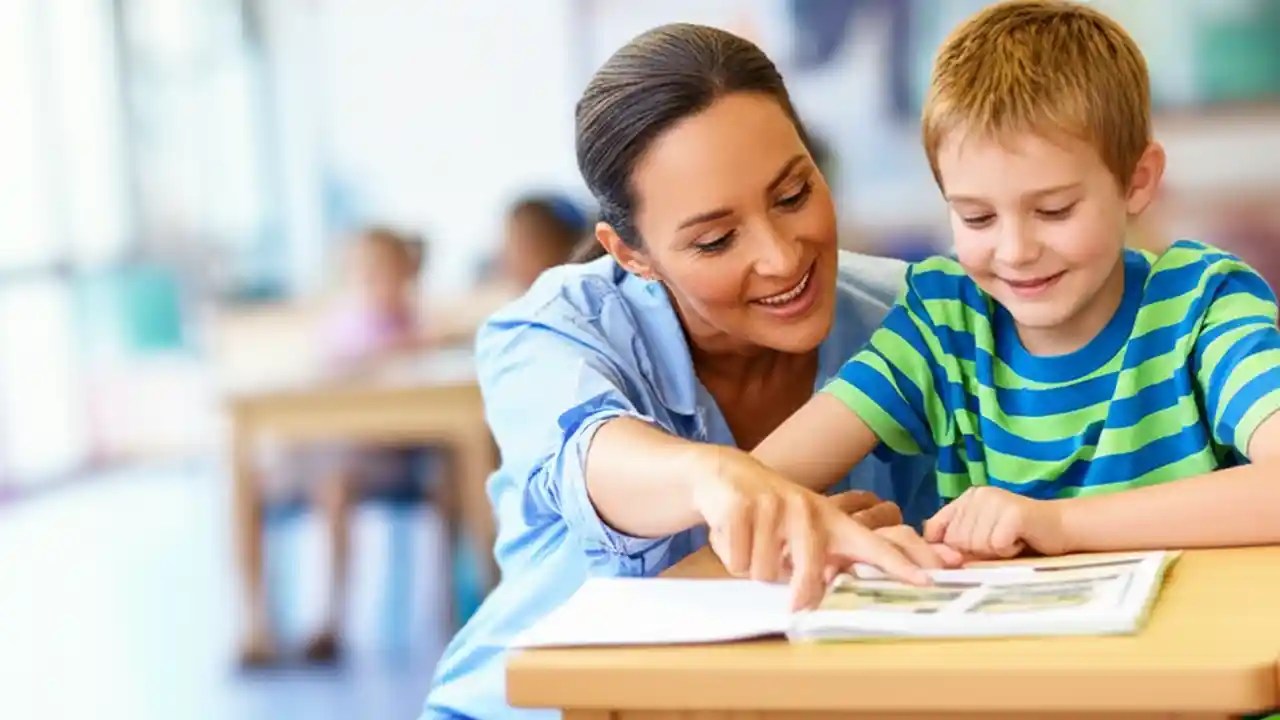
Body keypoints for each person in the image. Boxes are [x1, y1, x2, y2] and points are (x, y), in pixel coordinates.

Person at [422, 23, 954, 720]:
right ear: (631, 253)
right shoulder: (551, 331)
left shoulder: (915, 315)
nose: (783, 257)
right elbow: (594, 456)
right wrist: (724, 480)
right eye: (715, 239)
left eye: (793, 195)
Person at [752, 0, 1280, 560]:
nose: (1016, 251)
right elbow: (750, 487)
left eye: (1053, 211)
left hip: (1198, 644)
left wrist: (1061, 525)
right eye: (977, 217)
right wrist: (812, 521)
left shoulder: (1203, 305)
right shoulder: (942, 326)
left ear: (1137, 180)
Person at [243, 226, 433, 666]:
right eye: (364, 269)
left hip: (383, 458)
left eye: (384, 267)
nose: (374, 278)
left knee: (335, 487)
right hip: (325, 449)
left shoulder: (418, 330)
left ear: (406, 271)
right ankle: (257, 624)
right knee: (252, 486)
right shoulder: (339, 327)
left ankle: (330, 621)